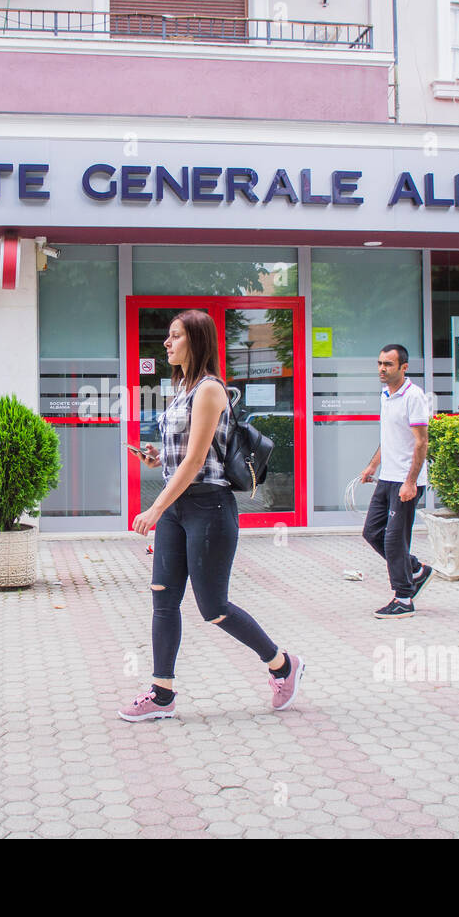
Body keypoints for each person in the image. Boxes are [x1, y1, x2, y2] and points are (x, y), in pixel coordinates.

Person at [118, 309, 304, 721]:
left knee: (213, 607)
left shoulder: (209, 389)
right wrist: (156, 458)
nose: (166, 343)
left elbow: (198, 460)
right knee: (164, 600)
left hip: (209, 508)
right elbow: (181, 457)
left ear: (196, 341)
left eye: (174, 336)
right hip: (179, 508)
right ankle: (161, 694)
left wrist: (154, 507)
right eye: (167, 337)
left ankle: (282, 664)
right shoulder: (181, 387)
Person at [358, 344, 434, 619]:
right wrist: (372, 465)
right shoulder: (385, 395)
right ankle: (415, 569)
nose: (381, 368)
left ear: (404, 367)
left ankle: (403, 598)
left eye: (388, 364)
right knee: (372, 532)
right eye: (379, 363)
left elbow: (421, 442)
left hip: (405, 482)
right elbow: (389, 437)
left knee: (394, 540)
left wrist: (411, 482)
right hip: (387, 478)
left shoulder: (414, 397)